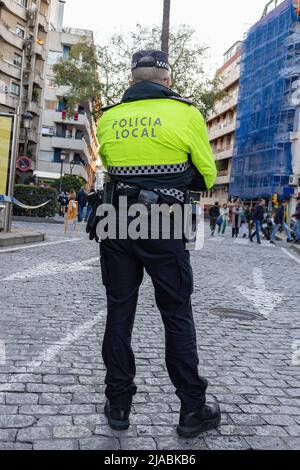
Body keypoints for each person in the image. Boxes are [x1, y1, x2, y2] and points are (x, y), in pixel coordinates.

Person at [96, 49, 220, 438]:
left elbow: (109, 164)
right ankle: (191, 410)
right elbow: (207, 176)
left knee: (119, 311)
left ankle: (118, 404)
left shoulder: (109, 117)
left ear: (133, 80)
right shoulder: (186, 113)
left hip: (114, 218)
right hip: (166, 220)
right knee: (176, 313)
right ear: (166, 81)